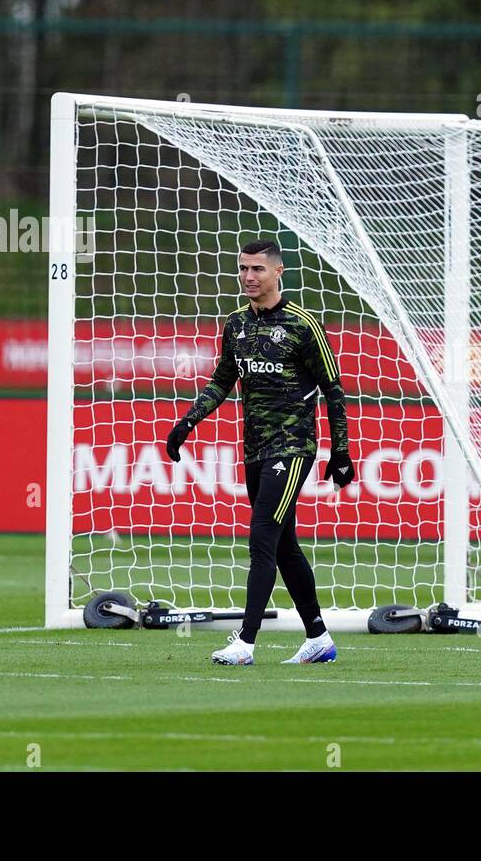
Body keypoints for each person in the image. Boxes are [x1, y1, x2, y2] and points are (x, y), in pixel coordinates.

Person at [165, 239, 354, 664]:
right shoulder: (235, 324)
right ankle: (319, 638)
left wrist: (340, 452)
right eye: (243, 269)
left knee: (262, 538)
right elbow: (221, 381)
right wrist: (188, 422)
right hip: (254, 449)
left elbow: (334, 390)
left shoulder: (304, 325)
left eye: (257, 270)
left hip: (293, 446)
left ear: (278, 272)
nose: (249, 277)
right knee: (285, 546)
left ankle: (245, 643)